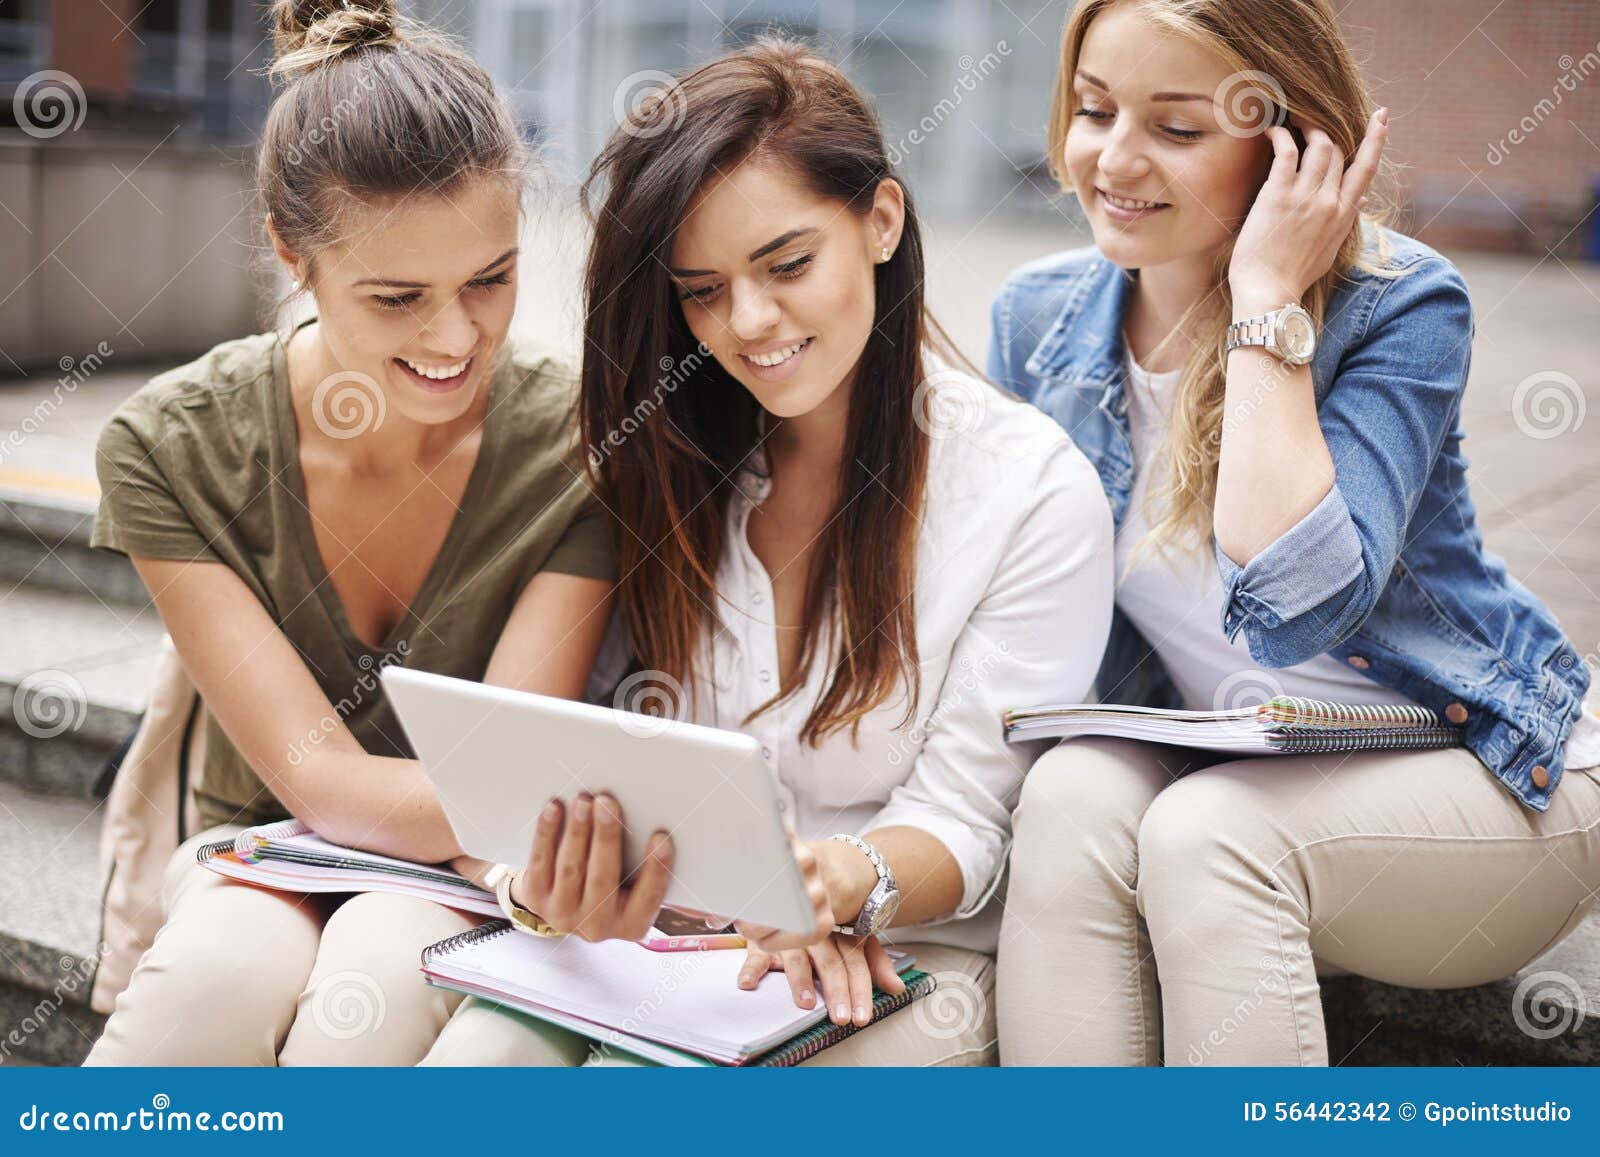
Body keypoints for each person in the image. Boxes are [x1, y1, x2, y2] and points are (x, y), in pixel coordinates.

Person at [419, 38, 1115, 1068]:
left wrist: (838, 882)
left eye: (788, 264)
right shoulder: (666, 460)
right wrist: (551, 880)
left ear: (879, 223)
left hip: (899, 959)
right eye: (701, 290)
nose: (748, 322)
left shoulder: (1027, 490)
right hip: (664, 950)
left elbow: (968, 818)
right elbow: (593, 749)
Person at [988, 0, 1600, 1066]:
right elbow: (999, 612)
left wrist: (1265, 296)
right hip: (1242, 763)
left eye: (1176, 129)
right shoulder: (1037, 319)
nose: (1114, 159)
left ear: (1295, 148)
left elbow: (1295, 602)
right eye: (1094, 111)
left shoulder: (1399, 303)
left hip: (1494, 773)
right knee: (1068, 786)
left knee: (1208, 834)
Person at [84, 0, 632, 1065]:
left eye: (492, 278)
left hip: (464, 871)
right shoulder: (169, 445)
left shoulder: (579, 450)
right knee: (211, 974)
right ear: (295, 256)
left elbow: (499, 773)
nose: (453, 335)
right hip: (268, 845)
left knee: (379, 974)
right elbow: (320, 780)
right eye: (396, 297)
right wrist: (501, 825)